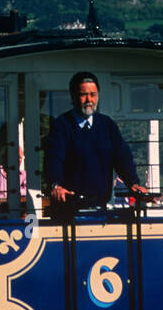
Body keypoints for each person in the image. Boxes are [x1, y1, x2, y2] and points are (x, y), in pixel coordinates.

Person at [44, 71, 151, 208]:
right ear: (73, 96)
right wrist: (55, 185)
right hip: (68, 209)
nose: (89, 100)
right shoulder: (62, 125)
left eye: (93, 95)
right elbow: (53, 159)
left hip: (101, 207)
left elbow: (122, 157)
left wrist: (133, 183)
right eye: (83, 94)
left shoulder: (107, 125)